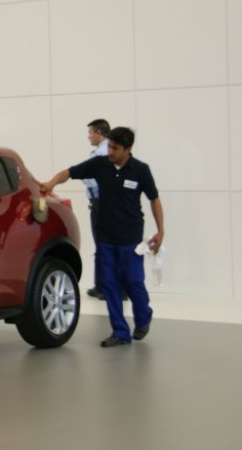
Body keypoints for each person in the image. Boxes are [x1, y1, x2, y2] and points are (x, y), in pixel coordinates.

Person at [41, 127, 164, 348]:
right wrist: (51, 183)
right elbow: (69, 172)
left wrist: (160, 231)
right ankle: (120, 332)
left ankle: (144, 318)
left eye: (115, 148)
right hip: (105, 237)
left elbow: (154, 199)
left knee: (133, 282)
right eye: (109, 146)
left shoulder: (141, 170)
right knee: (108, 284)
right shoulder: (100, 165)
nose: (110, 151)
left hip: (131, 238)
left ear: (128, 149)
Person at [83, 119, 110, 300]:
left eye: (90, 132)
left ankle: (107, 287)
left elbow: (90, 177)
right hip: (102, 203)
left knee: (105, 246)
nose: (88, 136)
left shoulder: (101, 153)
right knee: (102, 246)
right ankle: (101, 285)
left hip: (101, 203)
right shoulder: (108, 151)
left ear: (99, 133)